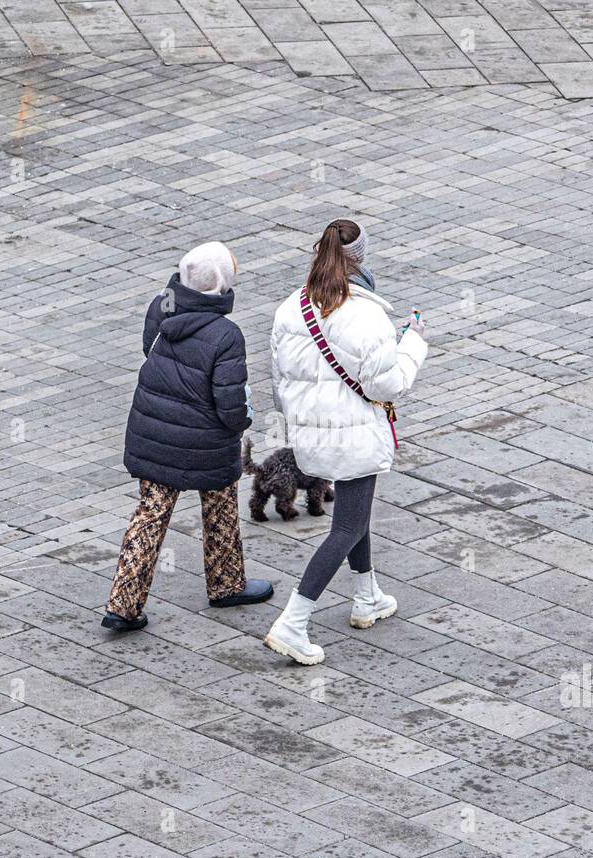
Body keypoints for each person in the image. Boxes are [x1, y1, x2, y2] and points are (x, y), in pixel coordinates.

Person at [264, 220, 428, 664]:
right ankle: (293, 623)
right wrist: (412, 345)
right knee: (347, 526)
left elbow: (279, 380)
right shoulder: (366, 313)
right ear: (362, 259)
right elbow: (388, 384)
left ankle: (367, 595)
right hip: (355, 432)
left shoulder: (290, 308)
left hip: (311, 433)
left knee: (357, 512)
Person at [103, 241, 273, 632]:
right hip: (206, 442)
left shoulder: (161, 304)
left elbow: (151, 349)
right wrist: (243, 421)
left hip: (153, 429)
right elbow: (231, 407)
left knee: (150, 513)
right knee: (220, 508)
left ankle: (123, 604)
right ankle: (226, 582)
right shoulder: (225, 334)